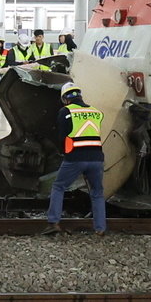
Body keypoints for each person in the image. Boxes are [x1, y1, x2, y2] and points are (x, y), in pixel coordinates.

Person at [43, 82, 107, 236]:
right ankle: (100, 229)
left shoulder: (66, 111)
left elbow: (62, 137)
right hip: (97, 158)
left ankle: (53, 222)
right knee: (97, 192)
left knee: (58, 186)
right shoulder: (96, 112)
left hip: (75, 158)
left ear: (65, 99)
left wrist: (63, 154)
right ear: (80, 95)